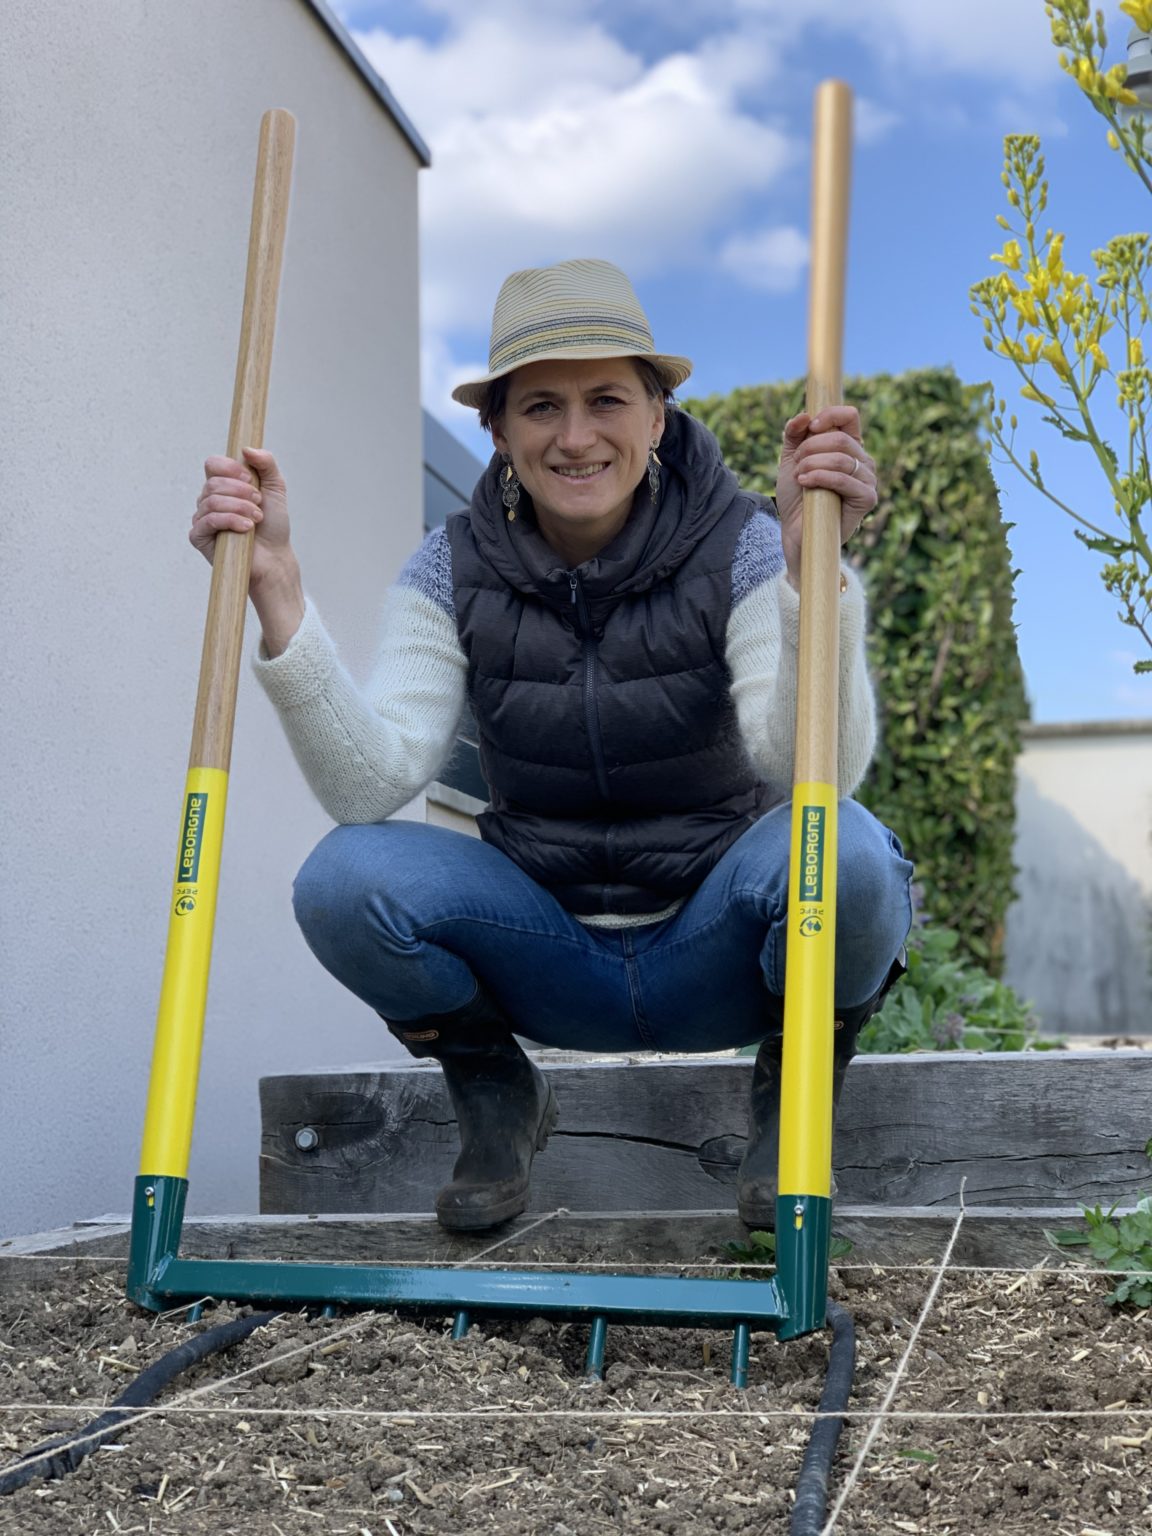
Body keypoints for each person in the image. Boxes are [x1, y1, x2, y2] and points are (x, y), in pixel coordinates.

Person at [191, 258, 913, 1234]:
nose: (575, 437)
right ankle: (495, 1088)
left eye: (607, 399)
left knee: (854, 855)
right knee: (342, 878)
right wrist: (277, 586)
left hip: (718, 948)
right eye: (539, 407)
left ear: (657, 416)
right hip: (552, 954)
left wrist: (808, 576)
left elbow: (806, 770)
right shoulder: (449, 564)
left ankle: (793, 1094)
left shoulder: (743, 539)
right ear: (497, 429)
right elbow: (370, 783)